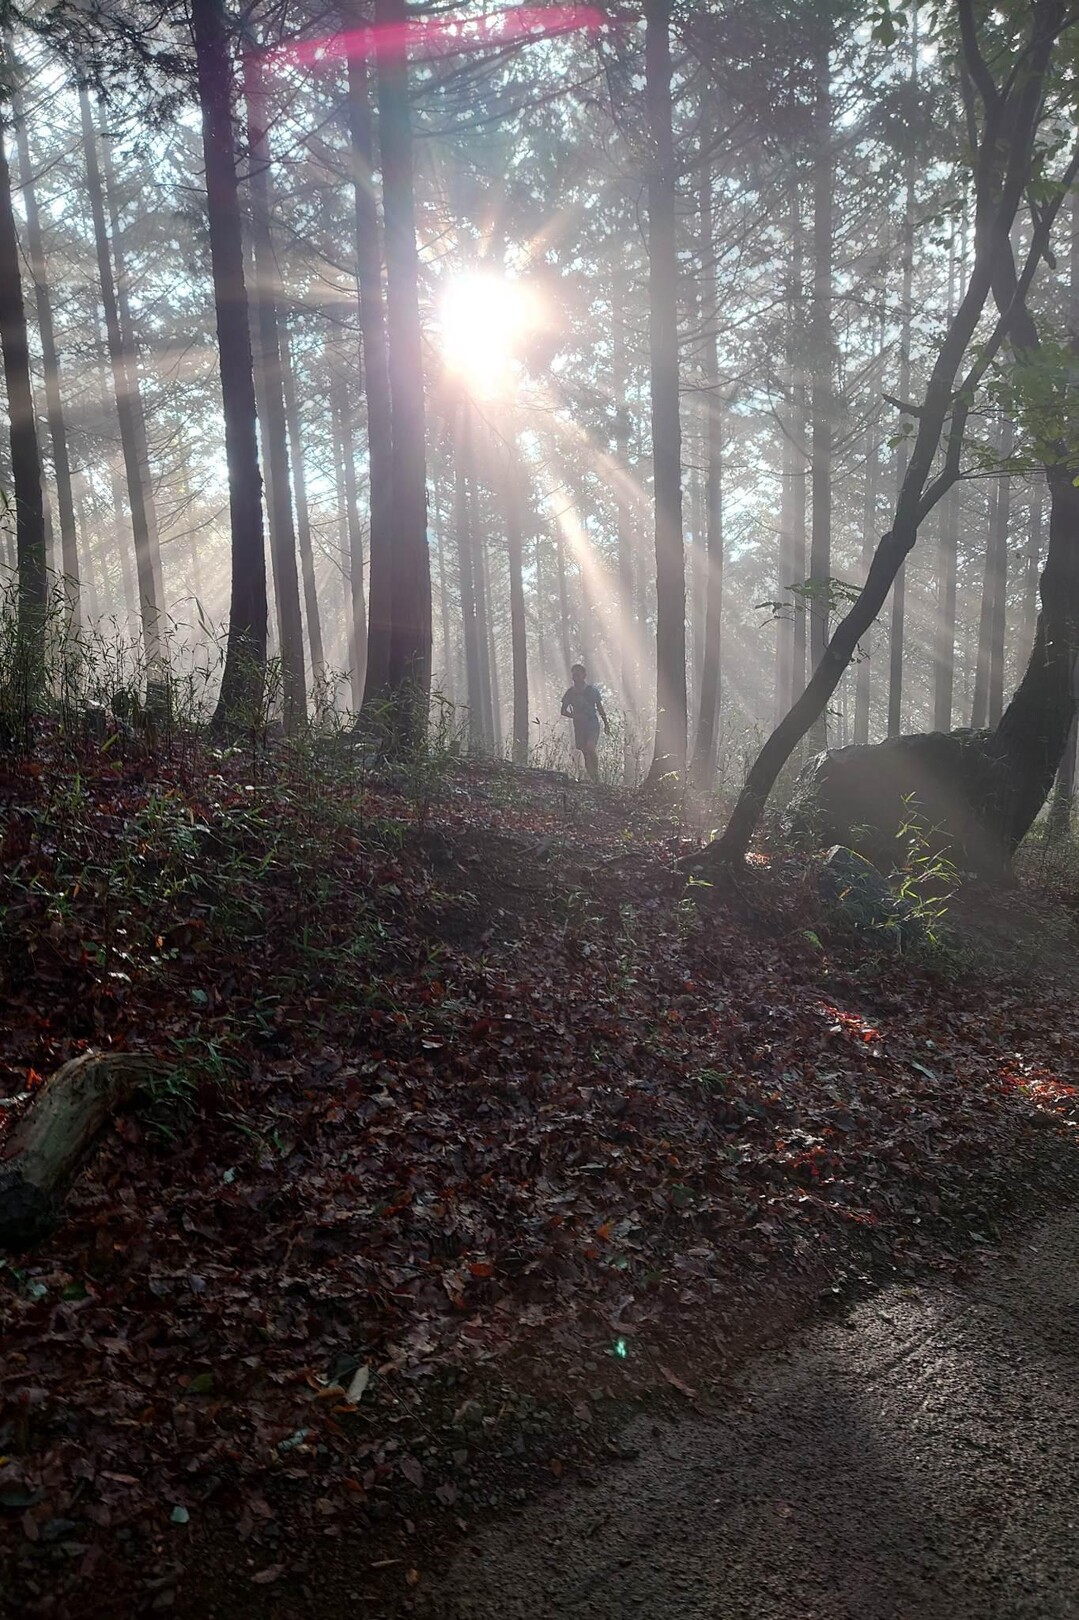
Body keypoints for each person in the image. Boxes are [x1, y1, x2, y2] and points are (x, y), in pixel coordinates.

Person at [560, 663, 610, 782]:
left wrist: (606, 724)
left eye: (578, 672)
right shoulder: (570, 693)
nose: (576, 675)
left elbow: (600, 707)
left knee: (590, 748)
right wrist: (574, 716)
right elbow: (563, 711)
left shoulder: (592, 691)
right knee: (585, 752)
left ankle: (596, 774)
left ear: (584, 675)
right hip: (579, 726)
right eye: (574, 672)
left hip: (592, 723)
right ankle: (594, 779)